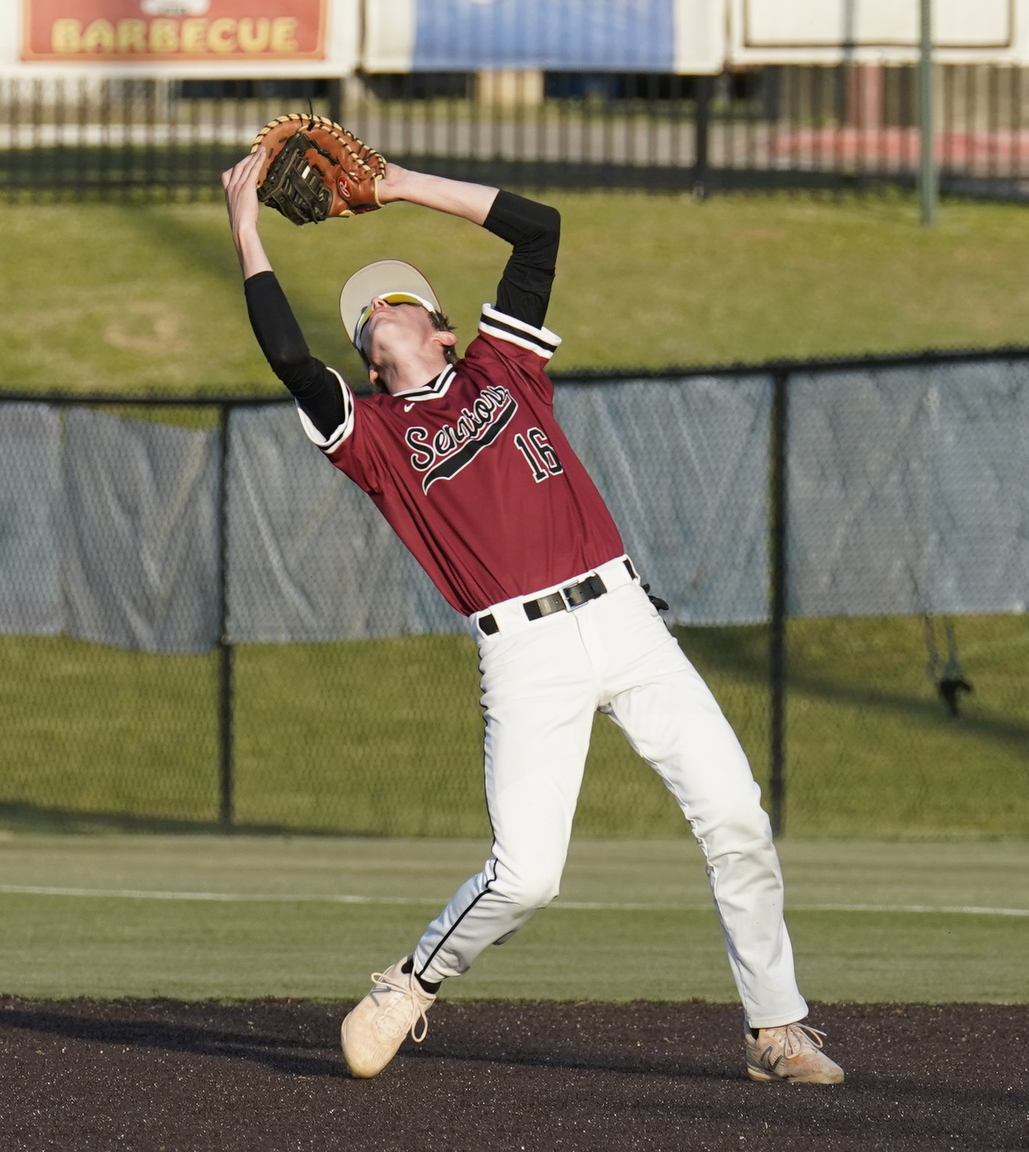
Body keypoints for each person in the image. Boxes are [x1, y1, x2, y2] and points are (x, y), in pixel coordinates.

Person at [220, 149, 844, 1086]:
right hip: (526, 655)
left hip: (628, 621)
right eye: (364, 318)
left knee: (735, 815)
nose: (374, 318)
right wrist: (244, 230)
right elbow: (286, 357)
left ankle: (777, 1029)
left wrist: (392, 187)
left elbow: (539, 228)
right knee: (527, 875)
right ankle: (412, 981)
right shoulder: (375, 441)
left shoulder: (501, 369)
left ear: (437, 325)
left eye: (392, 301)